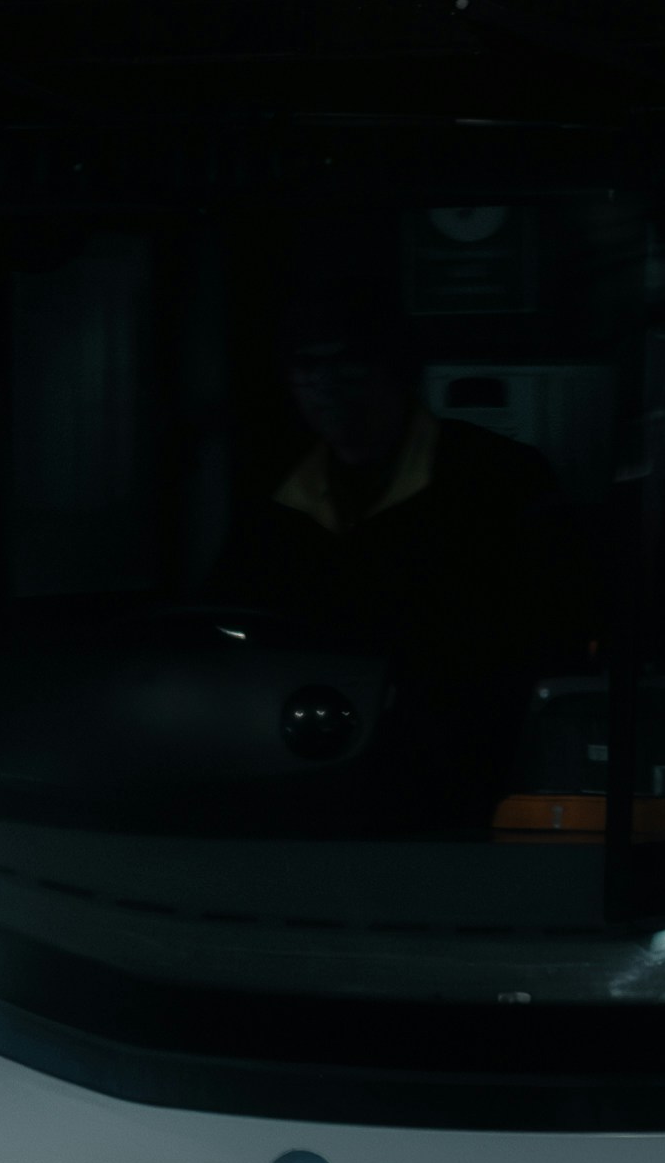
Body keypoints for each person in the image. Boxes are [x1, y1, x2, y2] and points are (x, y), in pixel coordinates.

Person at [220, 241, 602, 803]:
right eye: (307, 368)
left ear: (396, 371)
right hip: (304, 776)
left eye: (347, 364)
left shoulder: (498, 479)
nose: (325, 387)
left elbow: (555, 634)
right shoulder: (278, 507)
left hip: (461, 783)